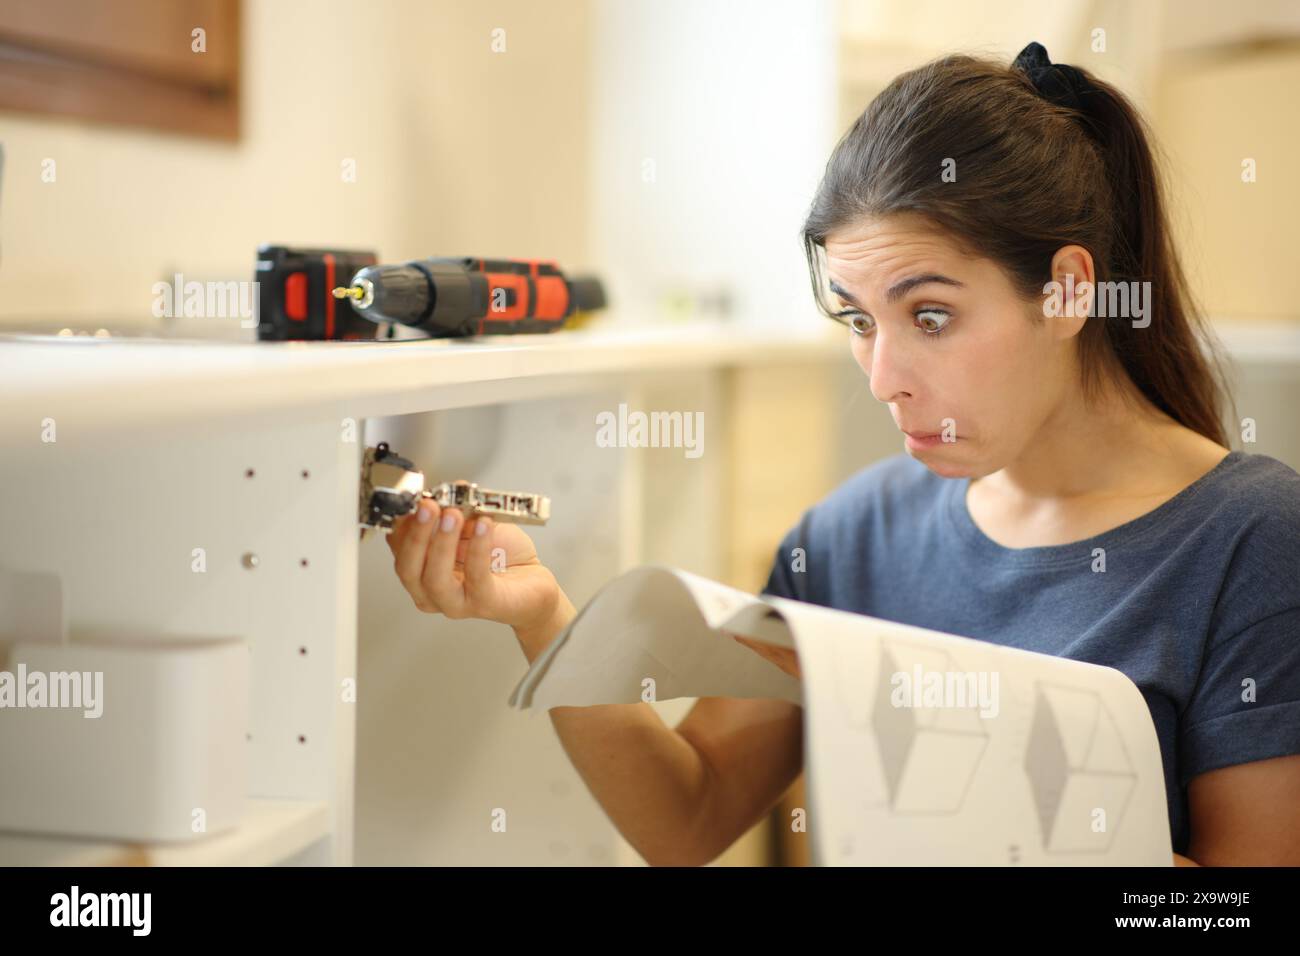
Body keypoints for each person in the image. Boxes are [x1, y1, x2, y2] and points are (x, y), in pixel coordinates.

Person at [386, 42, 1300, 867]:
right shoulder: (855, 533)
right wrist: (542, 617)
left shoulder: (1253, 541)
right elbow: (690, 815)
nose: (884, 377)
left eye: (930, 316)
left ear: (1065, 292)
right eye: (859, 321)